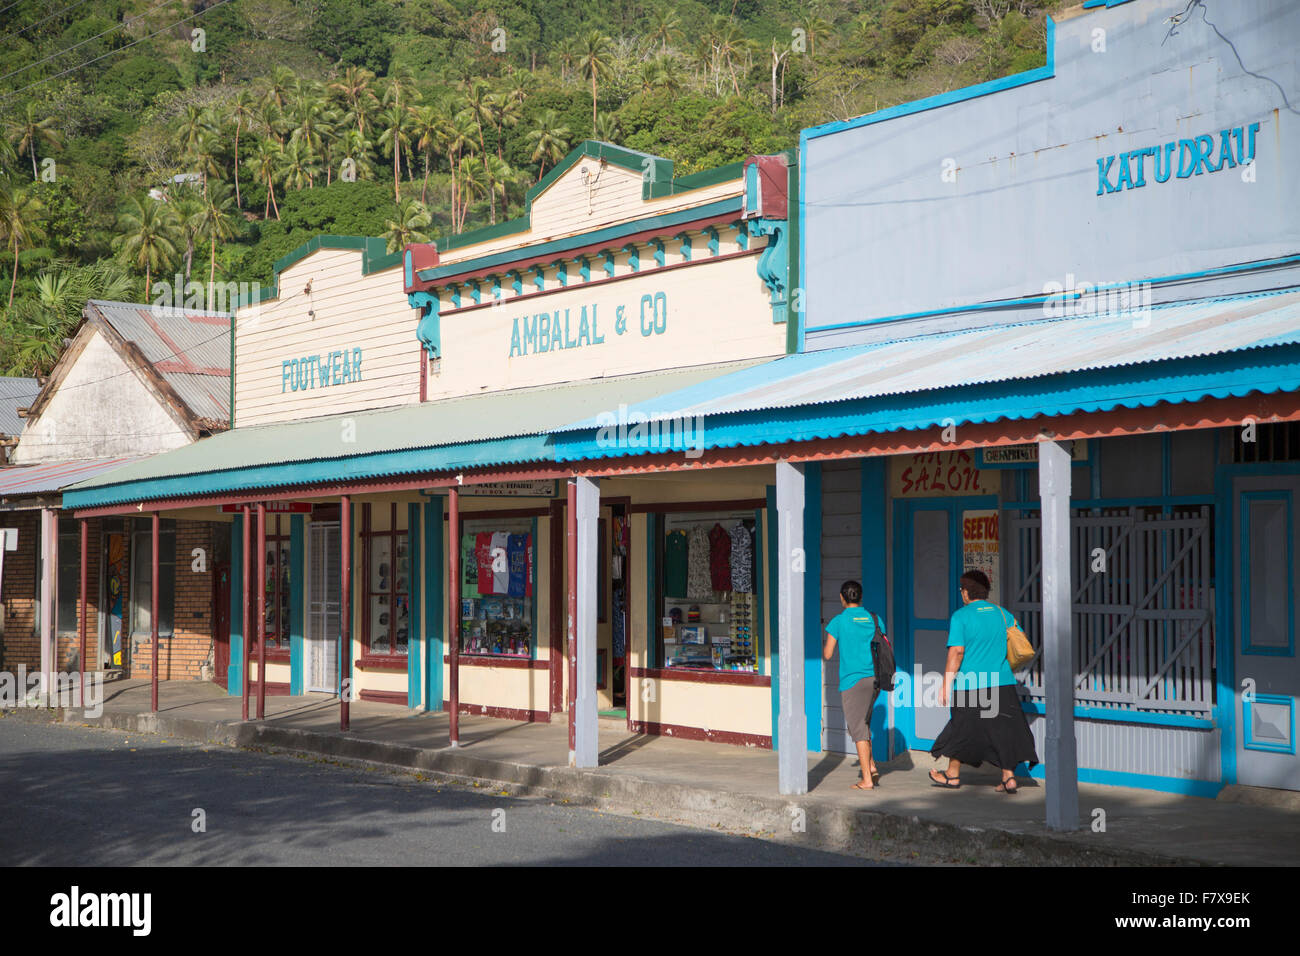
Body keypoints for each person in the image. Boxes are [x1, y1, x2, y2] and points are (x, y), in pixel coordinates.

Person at [929, 569, 1039, 794]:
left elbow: (957, 653)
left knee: (961, 729)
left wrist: (945, 684)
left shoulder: (961, 616)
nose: (961, 594)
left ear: (967, 592)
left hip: (971, 684)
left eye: (961, 590)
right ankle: (1008, 777)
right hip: (1002, 683)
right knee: (1002, 730)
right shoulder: (1002, 614)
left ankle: (952, 775)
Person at [823, 580, 884, 791]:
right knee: (863, 725)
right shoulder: (873, 618)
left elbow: (828, 653)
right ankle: (872, 766)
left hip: (852, 681)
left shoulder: (838, 622)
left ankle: (866, 779)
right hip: (874, 679)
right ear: (860, 597)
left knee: (858, 729)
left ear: (842, 598)